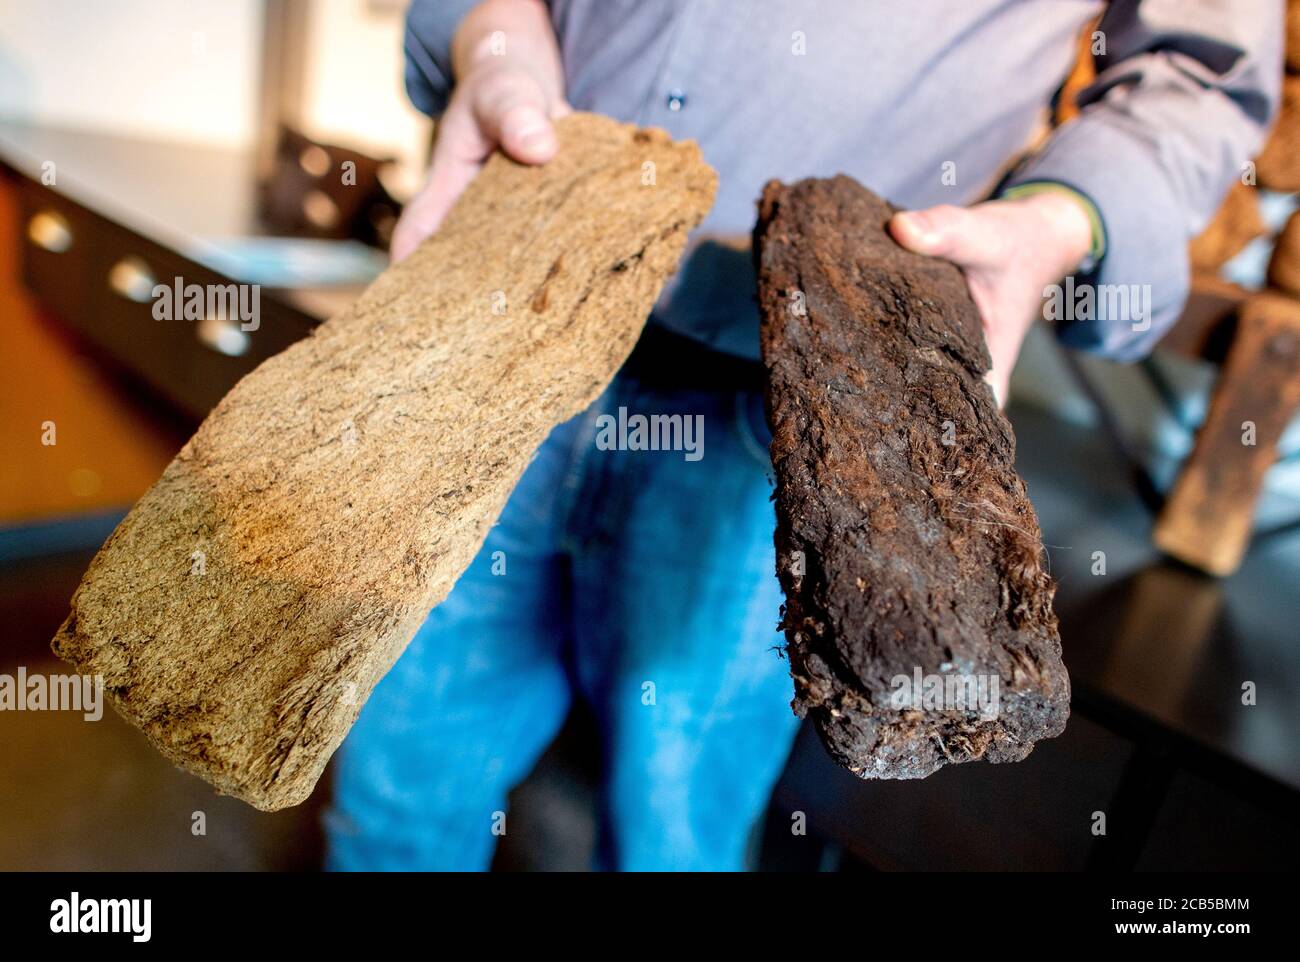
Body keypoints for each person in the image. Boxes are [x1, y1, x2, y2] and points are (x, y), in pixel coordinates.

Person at [325, 0, 1280, 870]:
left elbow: (1197, 73)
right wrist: (493, 36)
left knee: (672, 837)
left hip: (798, 408)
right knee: (396, 793)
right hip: (503, 316)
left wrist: (1061, 218)